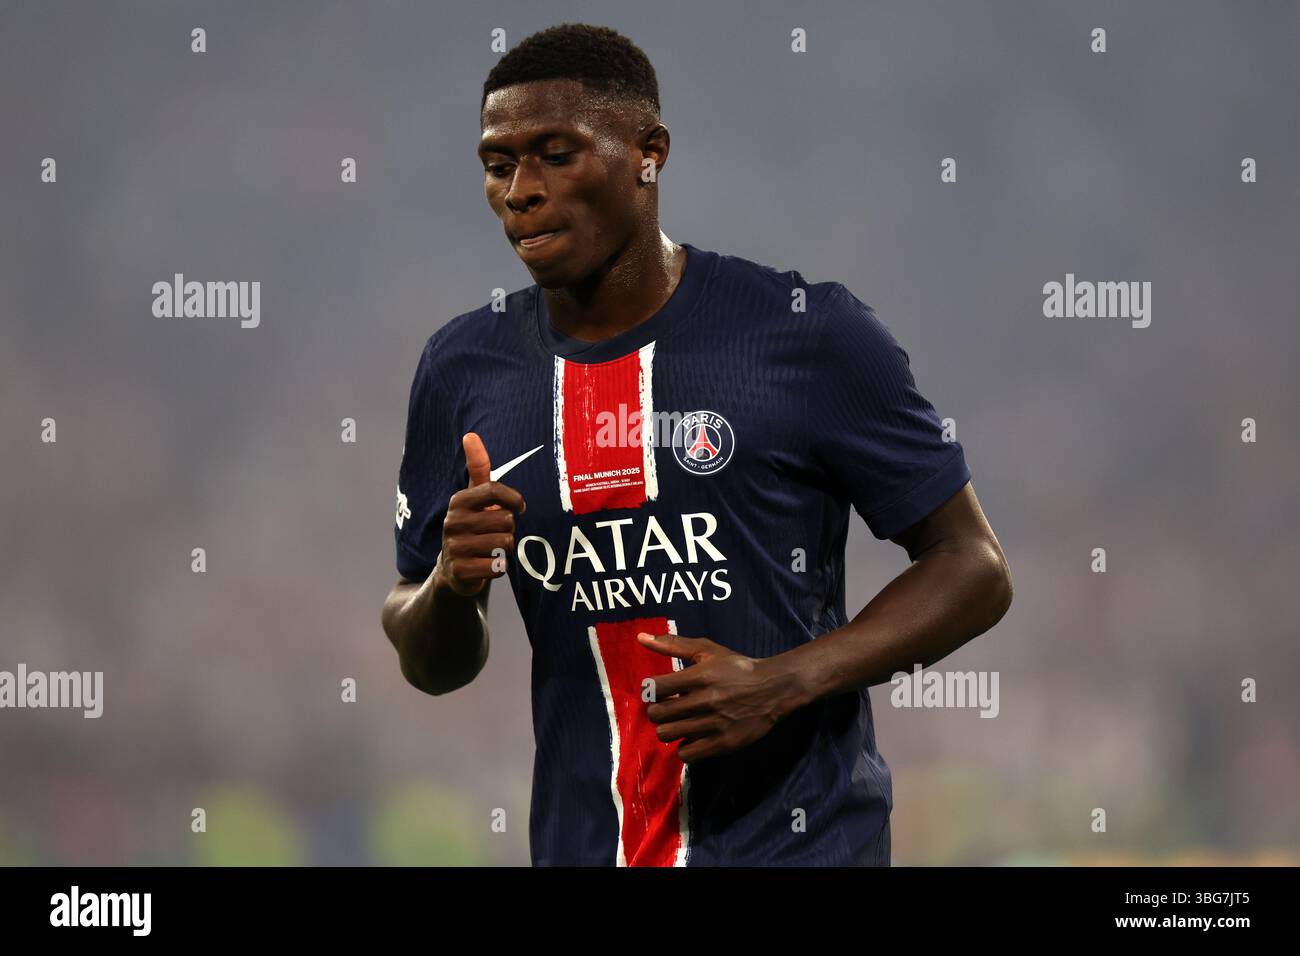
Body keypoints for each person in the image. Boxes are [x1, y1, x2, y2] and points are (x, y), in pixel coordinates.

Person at [381, 23, 1013, 866]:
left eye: (557, 153)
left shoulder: (804, 336)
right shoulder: (464, 368)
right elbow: (432, 661)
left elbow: (973, 567)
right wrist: (453, 589)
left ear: (649, 153)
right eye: (500, 165)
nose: (521, 190)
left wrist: (780, 683)